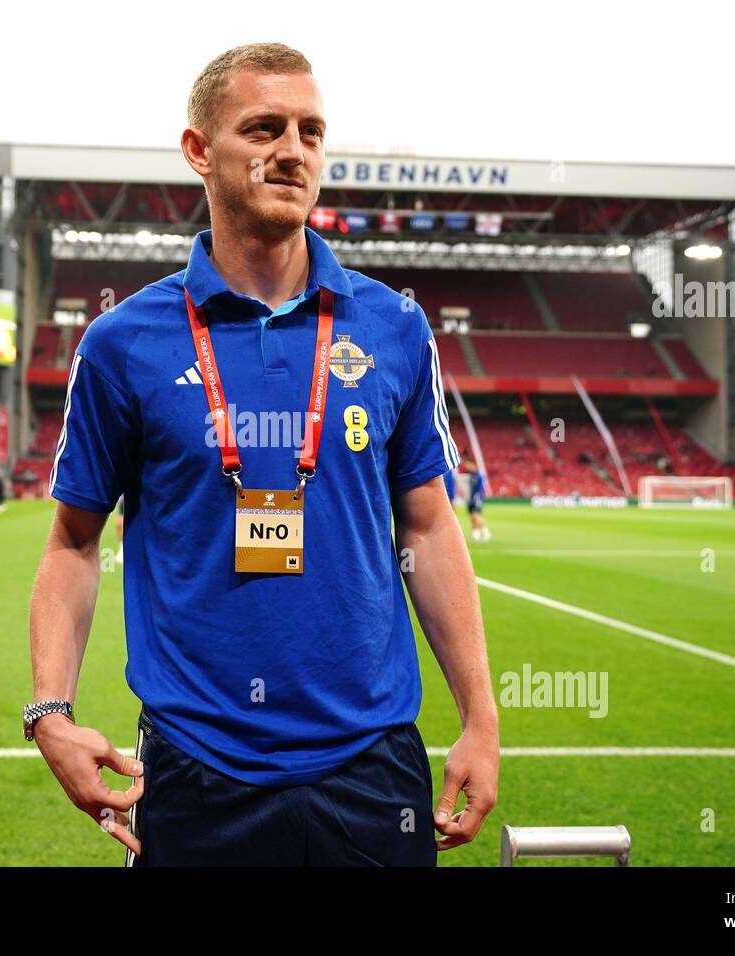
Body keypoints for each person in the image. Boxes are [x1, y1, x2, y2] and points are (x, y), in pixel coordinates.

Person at [26, 42, 498, 867]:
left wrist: (481, 720)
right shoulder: (121, 344)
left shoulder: (393, 327)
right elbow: (72, 543)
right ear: (199, 151)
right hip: (196, 767)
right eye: (264, 127)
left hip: (373, 763)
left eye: (312, 131)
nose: (294, 150)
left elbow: (427, 526)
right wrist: (49, 712)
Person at [460, 452, 491, 541]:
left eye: (470, 465)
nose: (468, 467)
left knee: (476, 515)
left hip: (476, 498)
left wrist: (478, 497)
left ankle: (485, 532)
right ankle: (476, 533)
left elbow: (481, 488)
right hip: (470, 498)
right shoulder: (470, 475)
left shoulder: (479, 475)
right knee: (471, 516)